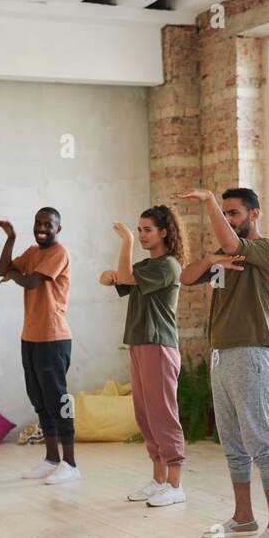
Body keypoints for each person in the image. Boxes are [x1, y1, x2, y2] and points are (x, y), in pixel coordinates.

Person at [174, 186, 269, 538]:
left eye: (233, 213)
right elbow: (187, 277)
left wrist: (208, 201)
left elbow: (236, 246)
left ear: (253, 215)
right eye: (223, 213)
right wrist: (211, 259)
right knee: (232, 443)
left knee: (259, 440)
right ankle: (243, 517)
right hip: (222, 355)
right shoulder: (224, 256)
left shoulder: (266, 249)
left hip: (251, 354)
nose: (227, 219)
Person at [100, 206, 188, 506]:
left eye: (146, 229)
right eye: (138, 230)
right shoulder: (147, 267)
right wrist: (112, 275)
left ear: (164, 232)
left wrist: (126, 242)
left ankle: (175, 486)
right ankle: (158, 479)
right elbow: (116, 279)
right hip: (140, 343)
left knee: (163, 414)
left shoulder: (168, 266)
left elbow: (123, 276)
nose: (141, 234)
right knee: (145, 415)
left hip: (159, 345)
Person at [0, 207, 77, 484]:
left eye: (48, 225)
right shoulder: (31, 252)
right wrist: (11, 238)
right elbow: (2, 269)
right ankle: (51, 459)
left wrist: (14, 276)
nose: (42, 228)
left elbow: (30, 282)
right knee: (39, 400)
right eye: (38, 223)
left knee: (58, 400)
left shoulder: (59, 253)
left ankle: (71, 464)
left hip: (54, 337)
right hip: (30, 336)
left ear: (58, 229)